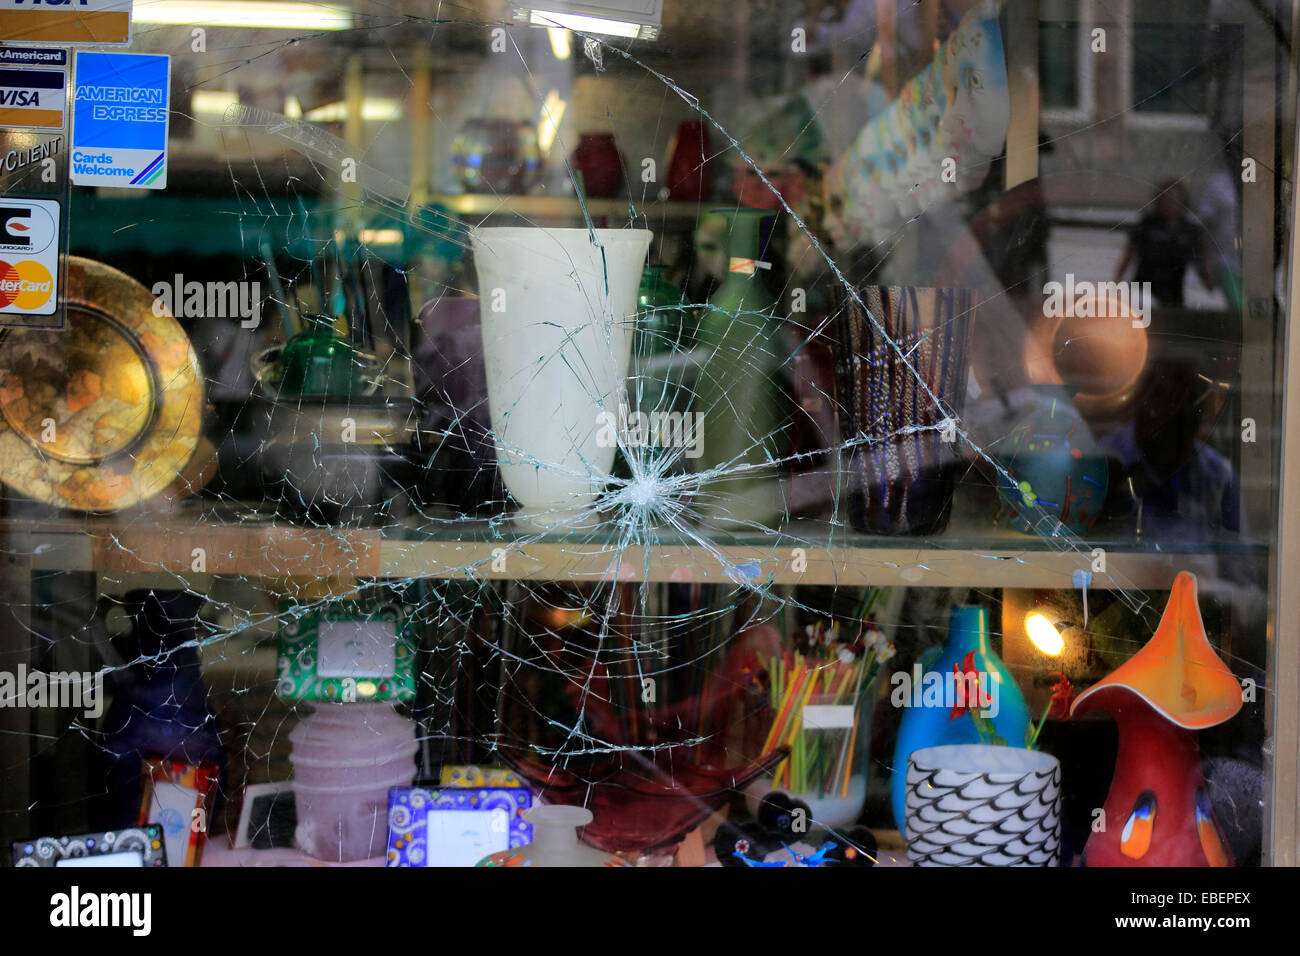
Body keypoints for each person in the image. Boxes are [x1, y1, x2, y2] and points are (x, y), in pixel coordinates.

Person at [1113, 178, 1214, 308]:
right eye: (1166, 200)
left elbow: (1201, 263)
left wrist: (1209, 280)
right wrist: (1117, 280)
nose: (1170, 204)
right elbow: (1128, 255)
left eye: (1175, 200)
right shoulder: (1147, 225)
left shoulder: (1191, 231)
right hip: (1144, 290)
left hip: (1174, 293)